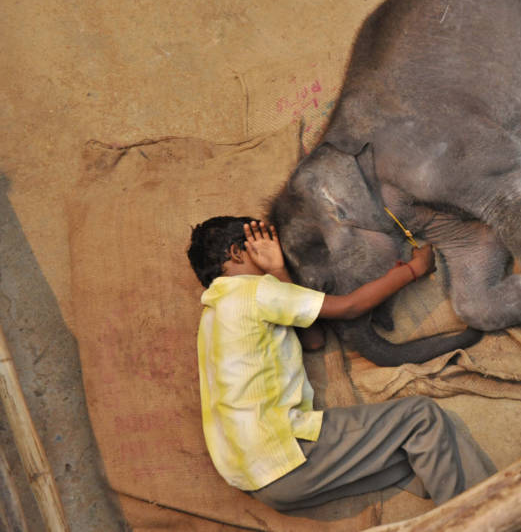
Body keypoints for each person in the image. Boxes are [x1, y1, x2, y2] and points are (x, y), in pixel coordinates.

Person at [186, 216, 494, 511]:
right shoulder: (251, 291)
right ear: (237, 252)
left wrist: (279, 270)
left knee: (413, 454)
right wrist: (413, 269)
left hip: (264, 484)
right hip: (286, 454)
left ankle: (470, 511)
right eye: (260, 243)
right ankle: (488, 517)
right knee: (421, 418)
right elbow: (349, 307)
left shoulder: (213, 317)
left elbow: (313, 340)